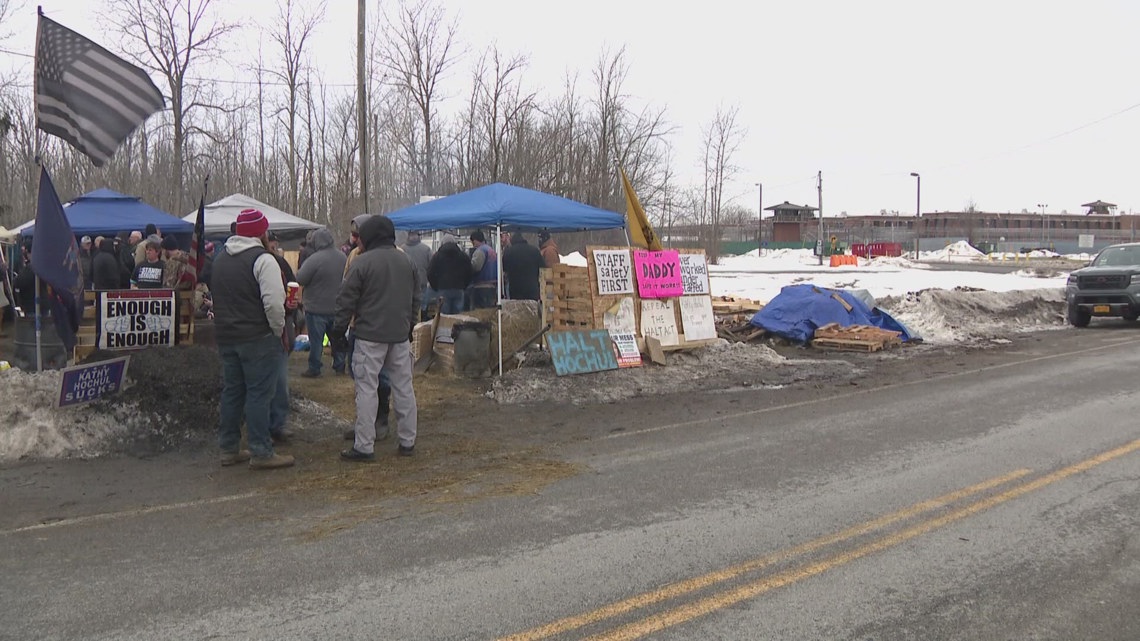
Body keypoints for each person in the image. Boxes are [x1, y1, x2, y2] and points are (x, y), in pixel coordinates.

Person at [331, 215, 421, 462]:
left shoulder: (362, 263)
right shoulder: (407, 262)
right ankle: (407, 441)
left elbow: (345, 300)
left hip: (369, 336)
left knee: (367, 389)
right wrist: (410, 325)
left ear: (368, 237)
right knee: (404, 387)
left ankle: (364, 446)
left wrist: (338, 331)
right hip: (400, 336)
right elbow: (416, 298)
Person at [210, 208, 294, 470]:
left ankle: (229, 447)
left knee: (233, 392)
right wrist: (277, 329)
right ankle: (260, 450)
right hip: (257, 336)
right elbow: (274, 304)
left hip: (227, 335)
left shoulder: (221, 259)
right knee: (259, 395)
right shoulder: (263, 260)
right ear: (261, 232)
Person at [295, 227, 347, 377]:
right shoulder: (342, 257)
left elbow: (301, 278)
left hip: (316, 308)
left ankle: (315, 368)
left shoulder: (314, 259)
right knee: (337, 339)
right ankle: (339, 365)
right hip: (337, 307)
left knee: (316, 342)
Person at [426, 233, 471, 314]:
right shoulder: (463, 255)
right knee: (458, 316)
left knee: (444, 316)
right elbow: (470, 271)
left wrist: (436, 286)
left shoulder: (437, 256)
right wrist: (464, 285)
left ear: (442, 243)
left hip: (443, 289)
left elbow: (430, 273)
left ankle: (445, 327)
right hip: (459, 288)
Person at [501, 232, 545, 301]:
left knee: (518, 310)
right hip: (532, 288)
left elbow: (504, 269)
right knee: (532, 310)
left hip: (515, 289)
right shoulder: (534, 250)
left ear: (512, 242)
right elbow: (543, 267)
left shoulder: (508, 252)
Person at [401, 230, 433, 320]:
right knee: (421, 305)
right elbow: (432, 264)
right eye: (413, 234)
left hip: (412, 282)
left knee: (412, 305)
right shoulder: (426, 249)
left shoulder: (402, 249)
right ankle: (420, 322)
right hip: (417, 282)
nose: (414, 236)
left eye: (415, 234)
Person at [469, 230, 498, 309]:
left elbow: (476, 267)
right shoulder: (491, 250)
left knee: (480, 312)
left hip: (481, 286)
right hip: (493, 285)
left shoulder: (480, 251)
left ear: (474, 240)